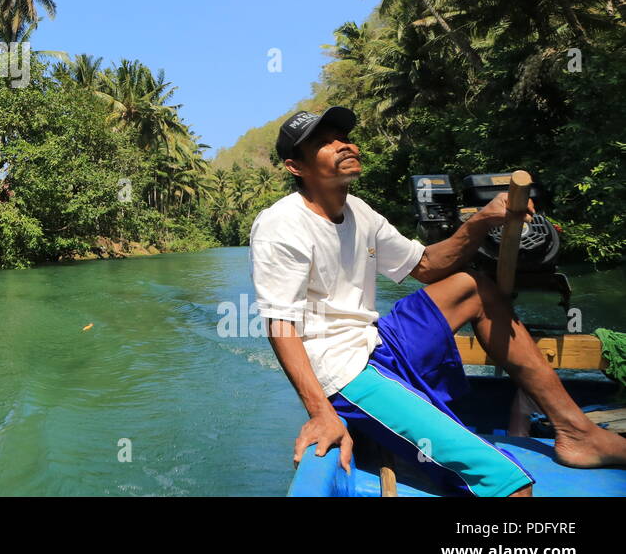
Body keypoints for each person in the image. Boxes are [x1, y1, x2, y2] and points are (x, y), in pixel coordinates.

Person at [251, 106, 626, 496]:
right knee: (506, 485)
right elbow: (281, 325)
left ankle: (575, 431)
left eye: (343, 137)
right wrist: (320, 413)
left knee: (473, 287)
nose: (343, 145)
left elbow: (427, 264)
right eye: (323, 143)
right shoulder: (281, 226)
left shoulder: (358, 210)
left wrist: (481, 221)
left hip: (376, 340)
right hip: (343, 371)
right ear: (296, 167)